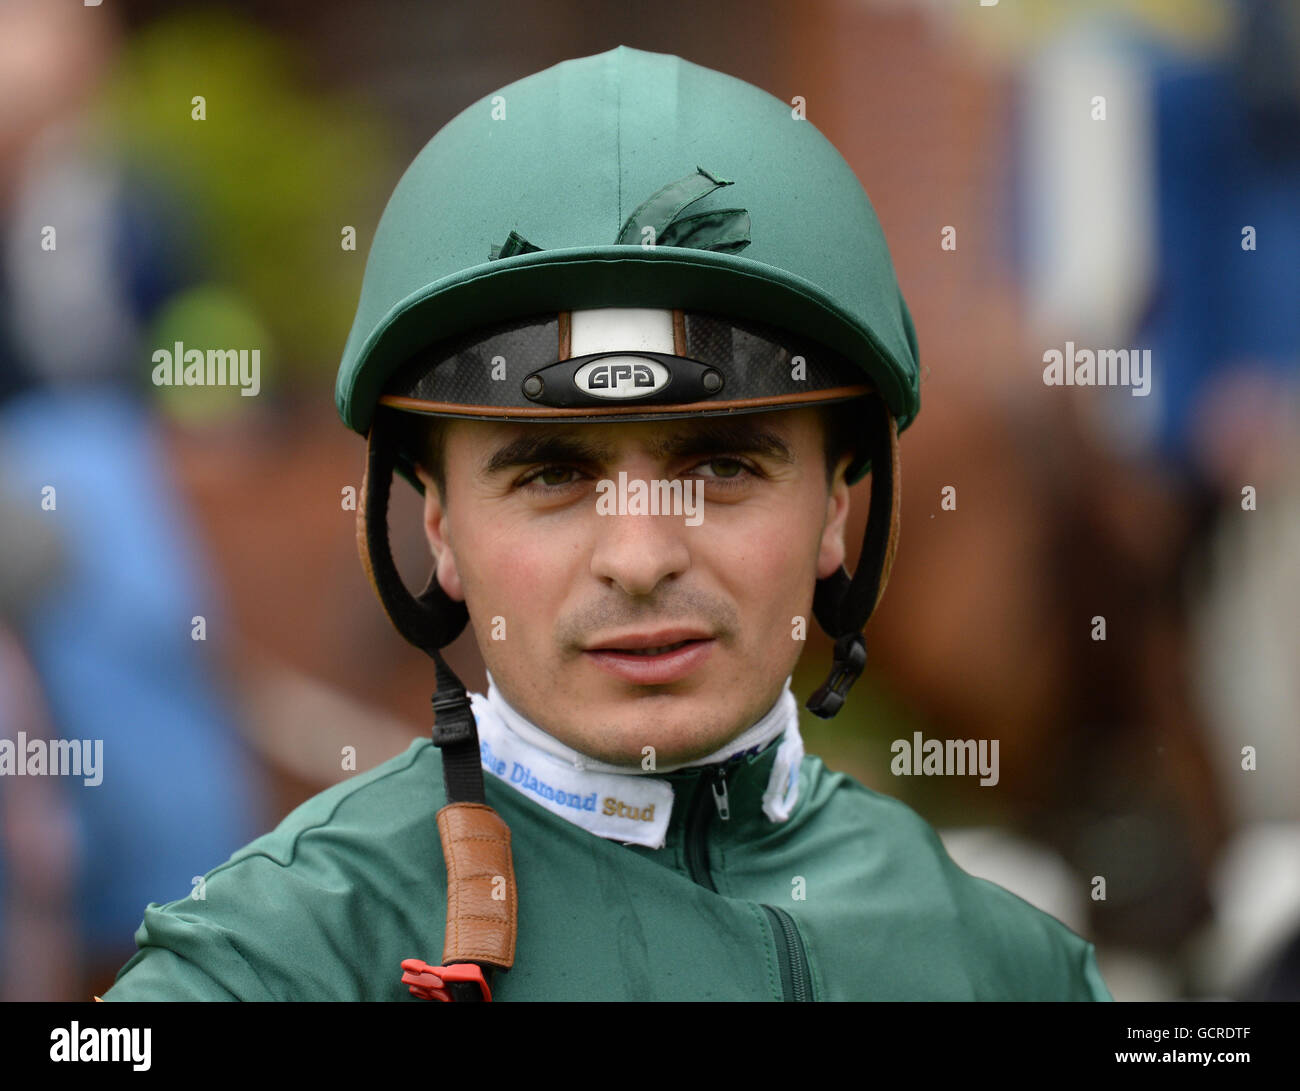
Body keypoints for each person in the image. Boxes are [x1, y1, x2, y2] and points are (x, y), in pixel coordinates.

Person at [102, 45, 1111, 1001]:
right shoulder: (272, 961)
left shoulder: (1006, 962)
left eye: (720, 466)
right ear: (440, 529)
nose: (638, 556)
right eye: (550, 473)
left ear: (838, 510)